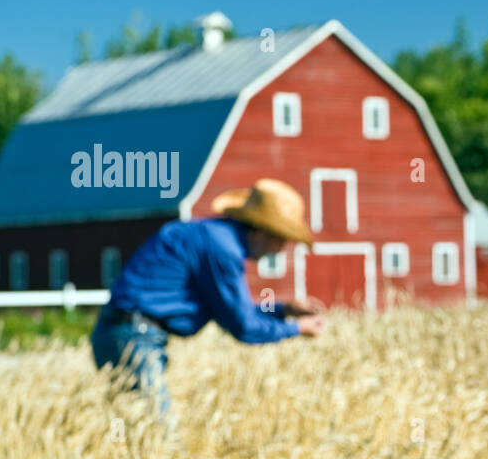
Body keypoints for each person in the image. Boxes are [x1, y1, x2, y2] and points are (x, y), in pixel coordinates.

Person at [91, 177, 326, 418]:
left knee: (132, 427)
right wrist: (298, 328)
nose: (280, 249)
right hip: (135, 337)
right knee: (156, 431)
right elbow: (244, 327)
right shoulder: (223, 250)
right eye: (282, 240)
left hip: (123, 332)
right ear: (265, 232)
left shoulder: (212, 235)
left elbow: (235, 312)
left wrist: (284, 309)